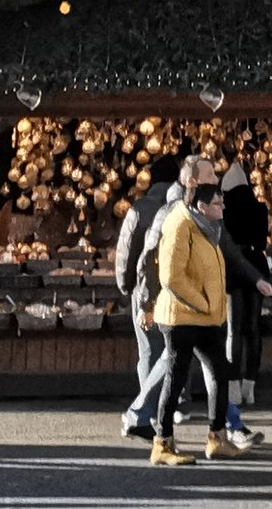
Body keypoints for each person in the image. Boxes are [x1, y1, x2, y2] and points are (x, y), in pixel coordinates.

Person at [148, 178, 253, 466]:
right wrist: (202, 302)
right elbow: (170, 276)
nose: (223, 207)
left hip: (205, 318)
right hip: (181, 317)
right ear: (202, 206)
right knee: (176, 376)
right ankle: (162, 443)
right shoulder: (180, 225)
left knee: (220, 372)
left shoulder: (209, 228)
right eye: (217, 203)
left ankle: (217, 438)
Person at [114, 156, 182, 442]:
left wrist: (125, 286)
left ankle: (147, 412)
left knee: (150, 352)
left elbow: (126, 252)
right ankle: (152, 410)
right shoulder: (181, 208)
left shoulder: (140, 208)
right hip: (174, 291)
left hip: (144, 291)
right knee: (171, 351)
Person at [219, 161, 272, 407]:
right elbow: (263, 243)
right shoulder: (260, 208)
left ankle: (233, 385)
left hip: (233, 270)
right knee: (254, 329)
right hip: (257, 267)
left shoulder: (224, 208)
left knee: (234, 330)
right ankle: (250, 384)